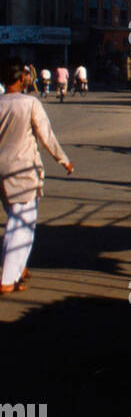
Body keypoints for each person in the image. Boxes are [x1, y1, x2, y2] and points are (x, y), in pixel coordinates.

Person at [0, 59, 74, 293]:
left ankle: (17, 268)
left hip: (2, 173)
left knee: (17, 220)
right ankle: (7, 279)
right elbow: (46, 136)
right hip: (23, 171)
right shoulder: (29, 103)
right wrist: (63, 159)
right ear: (21, 78)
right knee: (21, 224)